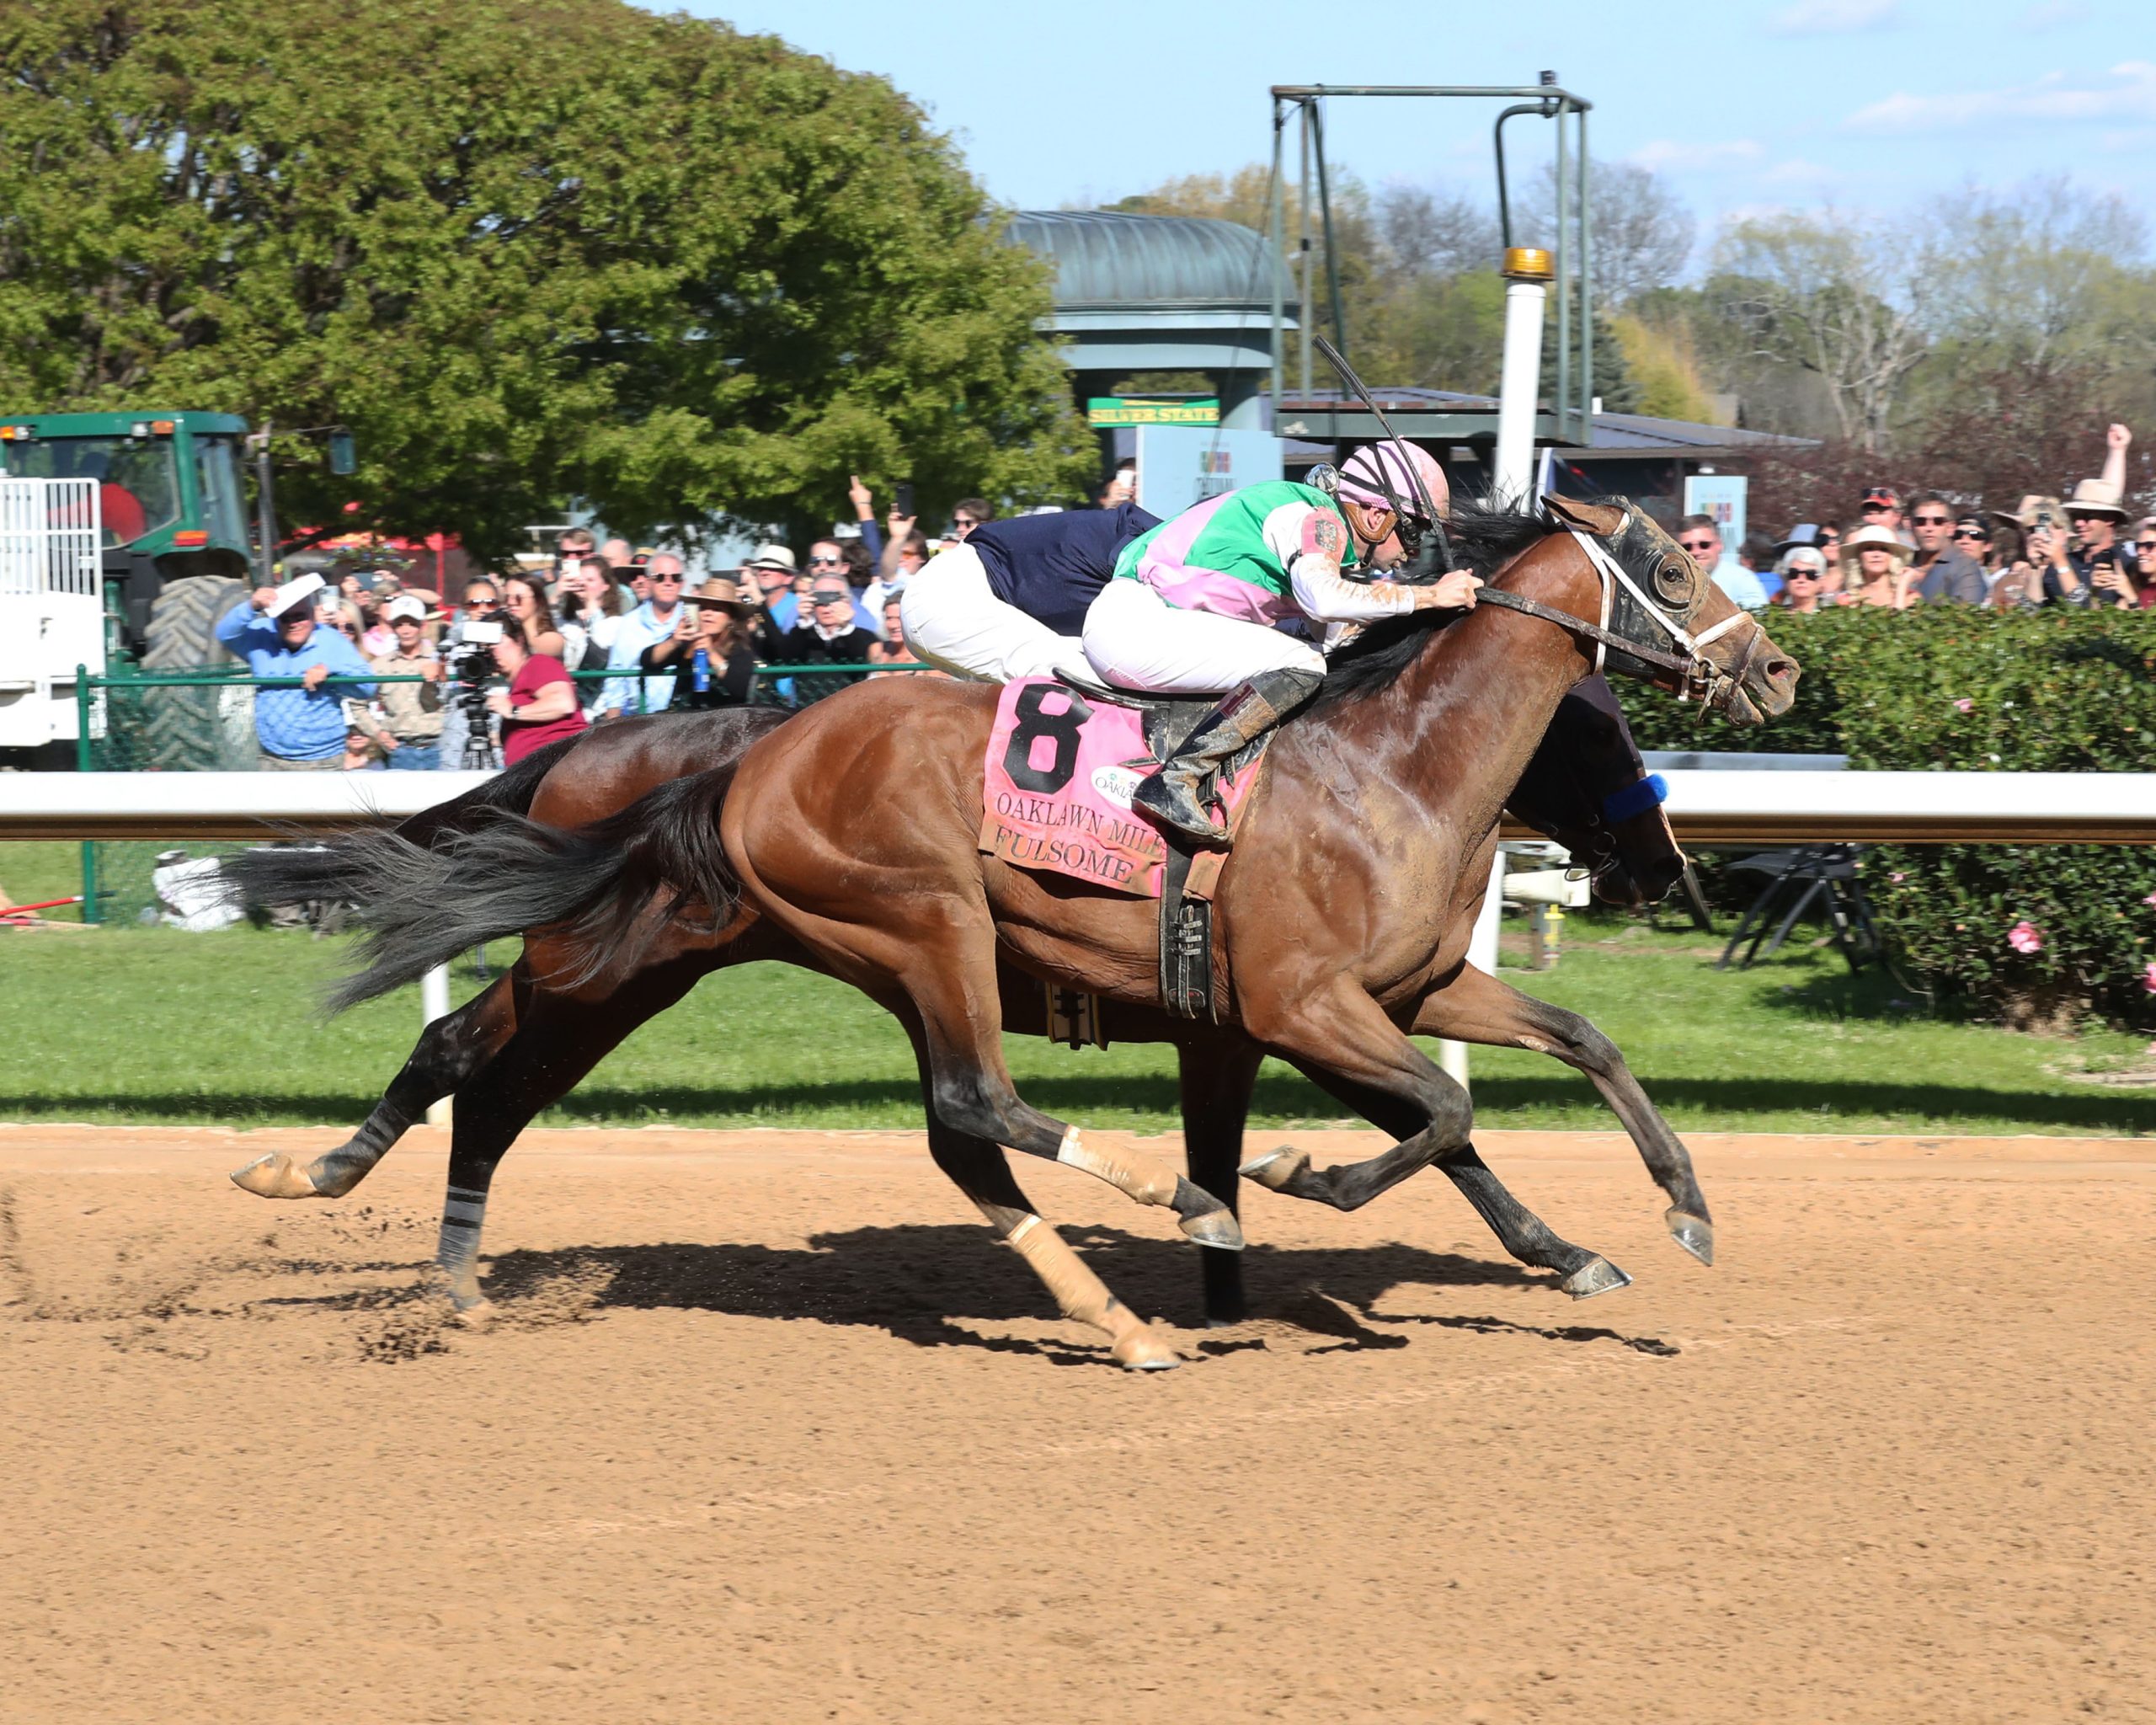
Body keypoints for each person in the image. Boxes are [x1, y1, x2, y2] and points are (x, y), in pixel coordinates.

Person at [1082, 441, 1481, 846]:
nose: (1414, 550)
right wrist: (1430, 596)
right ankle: (1176, 779)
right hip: (1136, 626)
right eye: (1415, 530)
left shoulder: (1319, 543)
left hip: (1146, 624)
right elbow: (1326, 601)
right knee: (1304, 663)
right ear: (1376, 516)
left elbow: (1338, 639)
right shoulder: (1318, 519)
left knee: (1313, 661)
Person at [900, 499, 1160, 687]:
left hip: (953, 594)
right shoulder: (1143, 550)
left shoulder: (1144, 540)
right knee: (1086, 676)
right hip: (950, 598)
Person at [215, 574, 378, 770]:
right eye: (286, 618)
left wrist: (330, 671)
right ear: (276, 620)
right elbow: (224, 633)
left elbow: (367, 686)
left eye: (300, 616)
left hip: (323, 759)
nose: (294, 624)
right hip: (272, 757)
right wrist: (252, 606)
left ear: (312, 615)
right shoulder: (262, 635)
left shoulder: (333, 640)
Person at [592, 552, 689, 718]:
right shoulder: (629, 623)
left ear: (682, 583)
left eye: (675, 578)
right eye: (660, 577)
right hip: (638, 719)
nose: (668, 583)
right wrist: (612, 723)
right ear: (649, 581)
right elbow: (616, 675)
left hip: (683, 718)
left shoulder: (692, 620)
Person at [642, 577, 758, 709]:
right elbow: (647, 660)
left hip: (725, 717)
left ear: (730, 618)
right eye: (703, 608)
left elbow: (739, 688)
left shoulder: (740, 647)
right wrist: (673, 642)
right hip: (687, 717)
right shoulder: (689, 641)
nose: (708, 613)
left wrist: (711, 654)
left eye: (717, 609)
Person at [487, 628, 588, 764]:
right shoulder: (518, 682)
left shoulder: (537, 663)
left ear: (519, 640)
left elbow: (563, 704)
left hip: (561, 764)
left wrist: (514, 711)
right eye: (487, 646)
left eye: (497, 642)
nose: (492, 650)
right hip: (539, 768)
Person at [368, 595, 446, 769]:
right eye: (400, 624)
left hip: (440, 747)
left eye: (412, 624)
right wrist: (377, 732)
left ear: (423, 626)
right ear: (392, 627)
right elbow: (356, 702)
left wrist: (442, 671)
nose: (406, 630)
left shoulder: (441, 659)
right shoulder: (379, 666)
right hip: (400, 750)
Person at [779, 574, 879, 704]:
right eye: (820, 600)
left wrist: (847, 630)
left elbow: (863, 663)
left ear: (848, 602)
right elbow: (785, 662)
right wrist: (804, 622)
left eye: (834, 598)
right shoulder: (800, 635)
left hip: (850, 709)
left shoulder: (865, 637)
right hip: (808, 711)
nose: (826, 608)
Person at [1907, 493, 1986, 604]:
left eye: (1938, 521)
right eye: (1921, 522)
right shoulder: (1903, 561)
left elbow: (1967, 611)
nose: (1929, 528)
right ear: (1911, 527)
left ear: (1951, 529)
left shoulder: (1965, 566)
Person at [1678, 514, 1766, 609]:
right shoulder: (1673, 582)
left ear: (1719, 544)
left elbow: (1760, 613)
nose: (1696, 552)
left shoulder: (1742, 579)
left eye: (1704, 545)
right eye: (1687, 547)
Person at [1840, 524, 1919, 609]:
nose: (1876, 555)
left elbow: (1900, 616)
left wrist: (1903, 584)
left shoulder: (1913, 598)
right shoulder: (1845, 601)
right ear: (1859, 556)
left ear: (1893, 557)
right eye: (1869, 548)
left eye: (1884, 549)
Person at [1772, 546, 1829, 612]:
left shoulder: (1832, 615)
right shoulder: (1772, 616)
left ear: (1820, 581)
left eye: (1810, 574)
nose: (1801, 580)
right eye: (1794, 573)